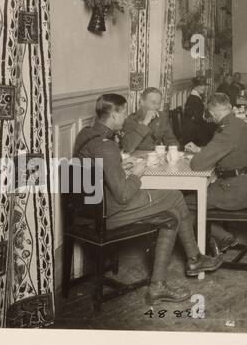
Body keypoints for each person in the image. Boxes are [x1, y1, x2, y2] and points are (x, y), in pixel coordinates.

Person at [72, 94, 223, 304]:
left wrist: (118, 167)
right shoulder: (107, 146)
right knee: (175, 196)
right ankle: (192, 261)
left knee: (171, 215)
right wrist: (137, 173)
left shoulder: (85, 134)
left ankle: (166, 280)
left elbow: (96, 170)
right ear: (114, 114)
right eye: (123, 112)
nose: (125, 117)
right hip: (106, 214)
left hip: (87, 209)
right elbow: (123, 195)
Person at [185, 93, 247, 253]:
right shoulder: (239, 123)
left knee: (183, 204)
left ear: (212, 113)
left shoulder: (226, 131)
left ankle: (219, 238)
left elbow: (197, 164)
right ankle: (218, 238)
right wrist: (202, 150)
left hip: (235, 192)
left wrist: (199, 155)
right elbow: (229, 152)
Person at [122, 87, 180, 152]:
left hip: (156, 157)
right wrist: (145, 122)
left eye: (159, 103)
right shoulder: (131, 120)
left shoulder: (162, 117)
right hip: (137, 158)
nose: (156, 106)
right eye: (153, 102)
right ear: (142, 102)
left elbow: (171, 140)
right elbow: (128, 147)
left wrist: (173, 151)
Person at [182, 78, 215, 147]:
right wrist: (208, 118)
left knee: (212, 125)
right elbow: (198, 118)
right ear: (195, 87)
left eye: (204, 85)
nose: (204, 88)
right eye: (200, 86)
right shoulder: (194, 99)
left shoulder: (195, 96)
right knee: (213, 128)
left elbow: (199, 114)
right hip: (193, 132)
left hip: (194, 127)